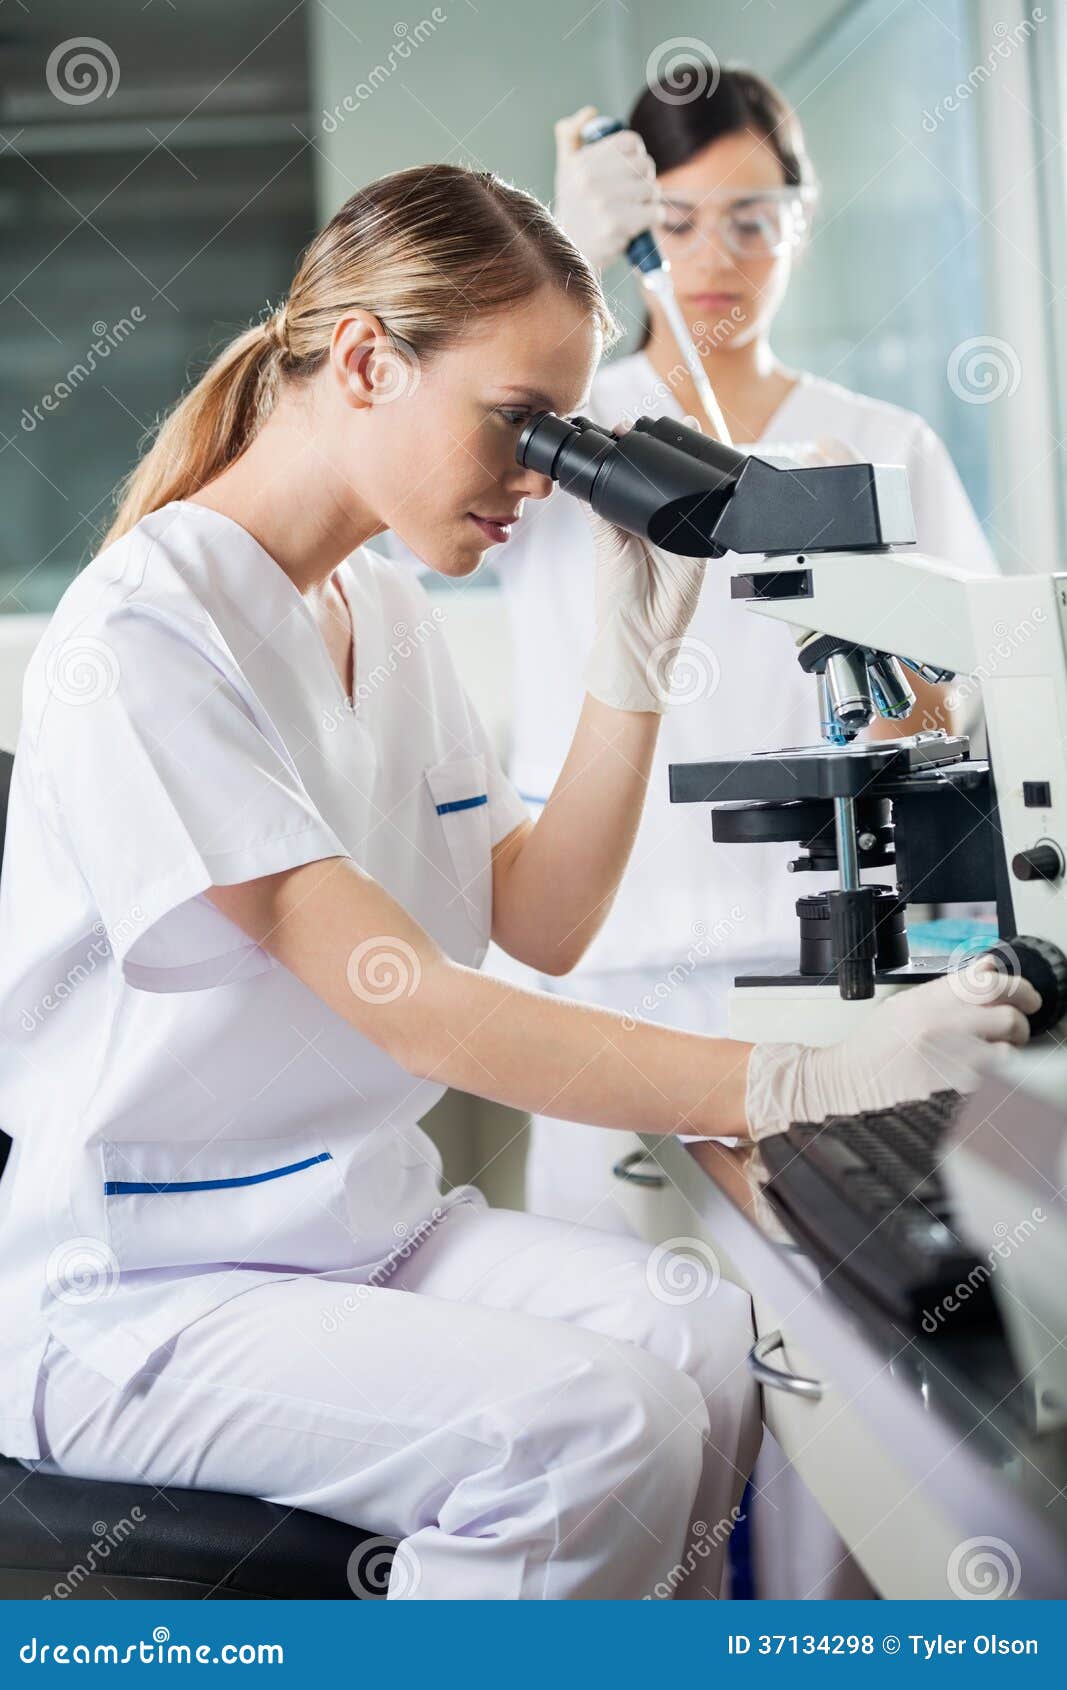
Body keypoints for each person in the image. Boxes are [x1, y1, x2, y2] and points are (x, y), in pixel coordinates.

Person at [0, 163, 1032, 1603]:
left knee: (701, 1343)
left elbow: (538, 917)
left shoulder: (383, 607)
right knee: (590, 1432)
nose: (539, 474)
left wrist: (631, 667)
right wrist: (794, 1078)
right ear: (365, 361)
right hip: (145, 1293)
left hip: (362, 1235)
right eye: (518, 423)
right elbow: (411, 1004)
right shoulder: (149, 633)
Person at [494, 63, 1001, 1235]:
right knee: (629, 1364)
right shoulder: (565, 425)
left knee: (825, 1361)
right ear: (627, 236)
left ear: (800, 226)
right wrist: (546, 263)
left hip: (835, 982)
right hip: (604, 983)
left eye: (750, 222)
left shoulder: (881, 442)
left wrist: (898, 653)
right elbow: (412, 530)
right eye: (671, 225)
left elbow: (966, 702)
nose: (713, 259)